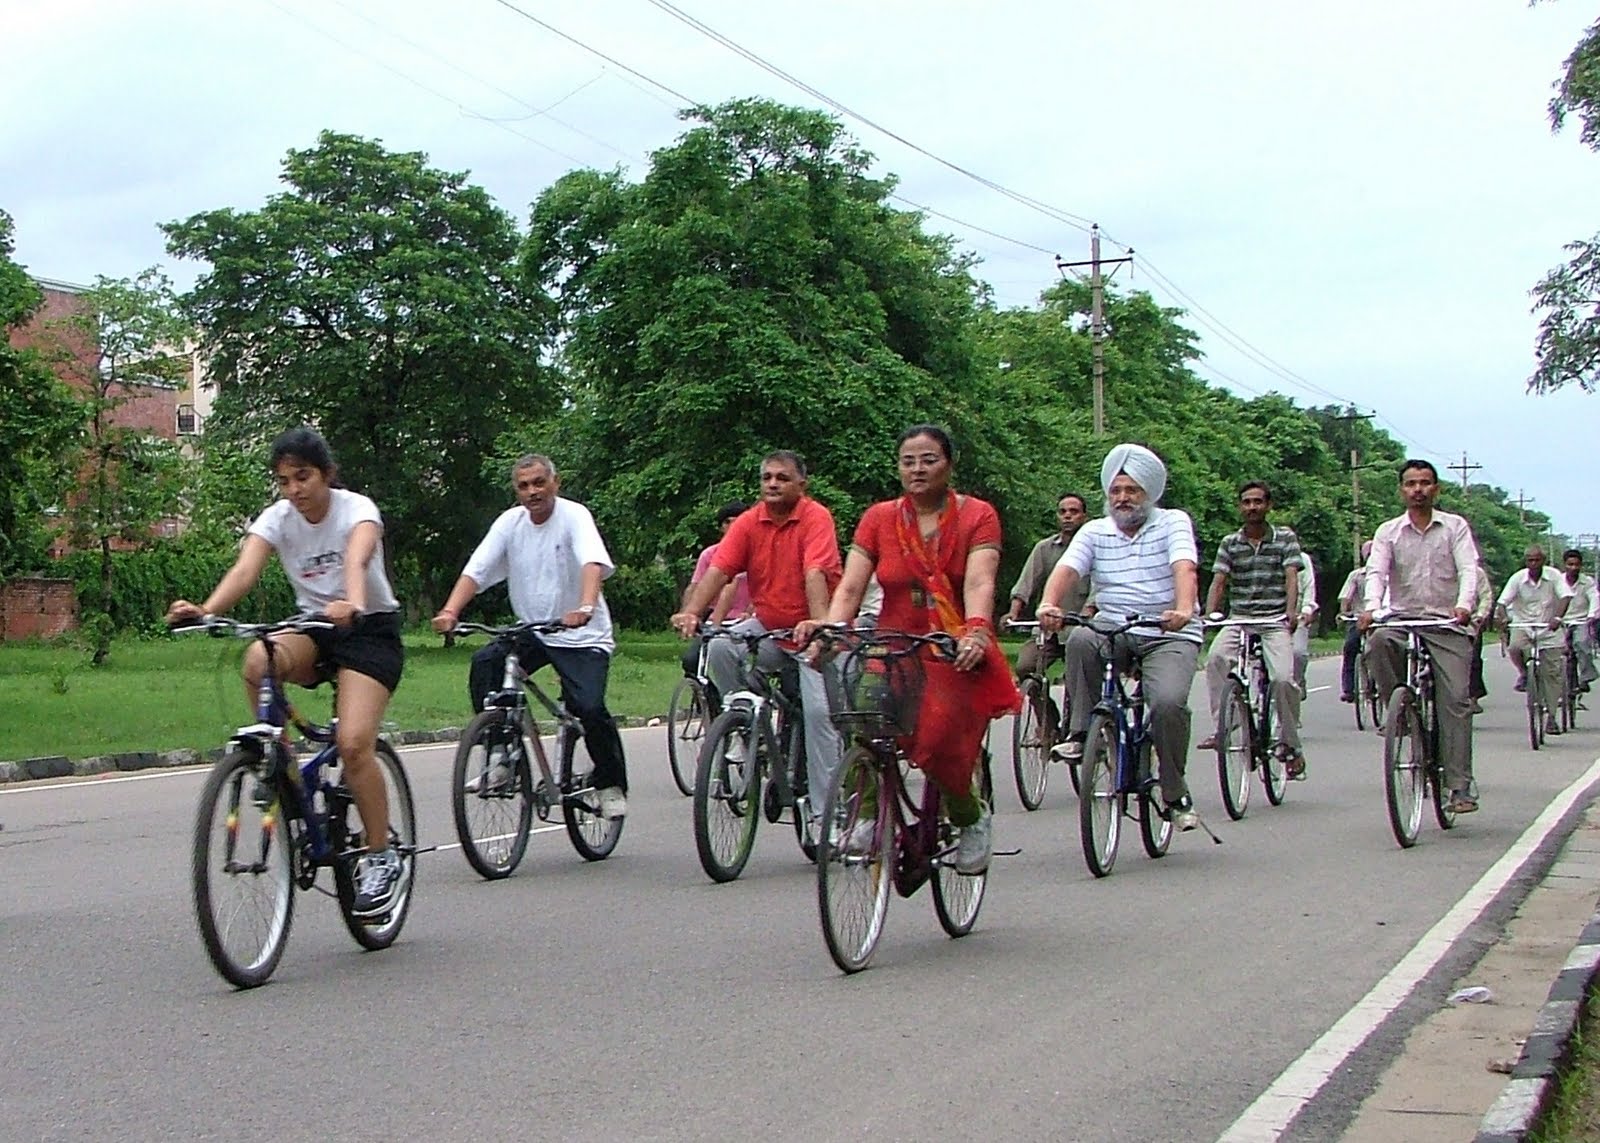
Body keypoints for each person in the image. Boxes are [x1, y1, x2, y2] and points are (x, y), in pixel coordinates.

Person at [166, 427, 406, 918]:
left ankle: (380, 856)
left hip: (368, 630)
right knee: (258, 658)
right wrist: (207, 611)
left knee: (354, 743)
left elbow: (358, 557)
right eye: (284, 481)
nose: (295, 490)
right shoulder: (277, 518)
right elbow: (244, 570)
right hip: (313, 629)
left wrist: (354, 602)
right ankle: (282, 764)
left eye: (304, 477)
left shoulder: (356, 509)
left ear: (327, 475)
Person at [796, 425, 1018, 874]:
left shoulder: (978, 516)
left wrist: (975, 630)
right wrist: (831, 628)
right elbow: (852, 585)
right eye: (908, 461)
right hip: (893, 643)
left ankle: (969, 817)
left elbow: (979, 580)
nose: (917, 469)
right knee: (864, 717)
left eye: (928, 459)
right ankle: (863, 815)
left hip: (952, 646)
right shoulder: (879, 518)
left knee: (937, 739)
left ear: (949, 464)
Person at [431, 454, 630, 819]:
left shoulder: (574, 516)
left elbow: (592, 563)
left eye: (539, 483)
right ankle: (499, 754)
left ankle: (609, 782)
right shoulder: (510, 523)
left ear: (556, 483)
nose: (532, 492)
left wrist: (585, 607)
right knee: (487, 663)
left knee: (587, 708)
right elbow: (477, 569)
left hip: (580, 634)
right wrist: (449, 611)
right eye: (524, 486)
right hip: (534, 630)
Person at [670, 450, 843, 828]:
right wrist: (693, 613)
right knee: (720, 645)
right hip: (769, 626)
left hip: (814, 633)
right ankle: (742, 721)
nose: (773, 484)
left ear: (802, 484)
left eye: (782, 477)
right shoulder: (749, 522)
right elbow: (719, 571)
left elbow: (816, 571)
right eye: (766, 477)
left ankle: (824, 813)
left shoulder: (816, 518)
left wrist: (818, 624)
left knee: (818, 715)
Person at [1038, 443, 1204, 831]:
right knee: (1080, 637)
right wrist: (1049, 604)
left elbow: (1185, 568)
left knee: (1166, 703)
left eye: (1132, 490)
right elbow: (1067, 570)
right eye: (1116, 491)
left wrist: (1182, 609)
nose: (1123, 498)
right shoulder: (1095, 531)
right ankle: (1082, 732)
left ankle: (1175, 792)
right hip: (1114, 628)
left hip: (1167, 632)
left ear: (1149, 494)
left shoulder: (1173, 522)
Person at [1360, 459, 1481, 813]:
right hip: (1402, 618)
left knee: (1457, 701)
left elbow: (1468, 569)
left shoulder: (1455, 527)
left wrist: (1463, 606)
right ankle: (1399, 709)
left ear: (1436, 488)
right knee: (1378, 643)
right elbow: (1377, 572)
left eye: (1425, 483)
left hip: (1445, 623)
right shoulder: (1389, 531)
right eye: (1411, 483)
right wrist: (1371, 608)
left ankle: (1459, 786)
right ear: (1402, 490)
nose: (1418, 489)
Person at [1197, 481, 1306, 778]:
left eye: (1258, 502)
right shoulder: (1229, 543)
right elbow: (1219, 581)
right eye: (1246, 502)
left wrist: (1290, 611)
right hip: (1240, 618)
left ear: (1268, 505)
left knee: (1283, 679)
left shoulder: (1284, 538)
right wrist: (1210, 616)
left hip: (1273, 620)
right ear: (1240, 506)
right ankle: (1224, 726)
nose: (1252, 507)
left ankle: (1290, 743)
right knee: (1217, 659)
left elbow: (1291, 577)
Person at [679, 500, 754, 700]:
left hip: (750, 620)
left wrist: (750, 610)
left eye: (738, 521)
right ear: (721, 526)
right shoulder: (710, 555)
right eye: (728, 522)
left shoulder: (758, 552)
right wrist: (686, 613)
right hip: (716, 620)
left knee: (749, 664)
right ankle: (712, 704)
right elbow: (695, 586)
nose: (733, 526)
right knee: (691, 660)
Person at [1496, 545, 1573, 737]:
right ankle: (1524, 673)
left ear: (1543, 560)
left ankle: (1552, 717)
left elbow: (1565, 597)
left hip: (1548, 627)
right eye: (1530, 560)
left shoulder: (1554, 576)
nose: (1533, 564)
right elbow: (1502, 602)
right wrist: (1504, 618)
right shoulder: (1517, 578)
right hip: (1524, 625)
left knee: (1552, 674)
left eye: (1537, 560)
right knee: (1515, 647)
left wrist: (1557, 617)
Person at [1337, 541, 1374, 703]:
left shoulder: (1390, 574)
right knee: (1350, 647)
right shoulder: (1357, 575)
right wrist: (1344, 612)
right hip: (1358, 619)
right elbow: (1346, 596)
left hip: (1381, 620)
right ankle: (1348, 689)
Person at [1560, 549, 1599, 693]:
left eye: (1576, 565)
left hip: (1581, 620)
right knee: (1556, 651)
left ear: (1581, 566)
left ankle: (1585, 677)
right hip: (1561, 621)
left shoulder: (1587, 582)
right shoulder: (1558, 581)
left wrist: (1591, 616)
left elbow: (1594, 598)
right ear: (1565, 565)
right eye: (1570, 564)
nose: (1573, 568)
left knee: (1582, 644)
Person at [1469, 561, 1495, 714]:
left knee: (1473, 660)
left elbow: (1486, 596)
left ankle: (1473, 697)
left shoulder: (1476, 572)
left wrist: (1480, 616)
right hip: (1439, 620)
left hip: (1469, 622)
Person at [1291, 552, 1318, 698]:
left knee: (1298, 653)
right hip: (1270, 616)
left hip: (1297, 616)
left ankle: (1298, 681)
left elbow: (1309, 586)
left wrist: (1307, 609)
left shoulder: (1302, 559)